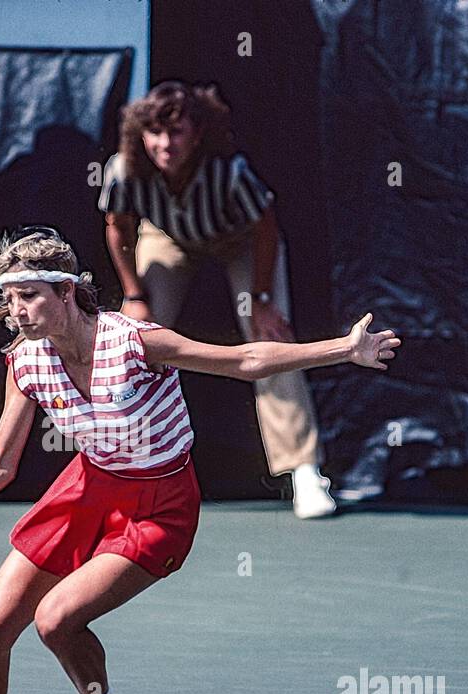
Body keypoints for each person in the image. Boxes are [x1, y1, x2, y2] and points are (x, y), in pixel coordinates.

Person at [0, 226, 399, 694]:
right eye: (10, 299)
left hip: (161, 501)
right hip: (85, 488)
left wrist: (343, 349)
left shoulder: (137, 342)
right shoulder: (26, 362)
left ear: (67, 292)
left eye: (30, 295)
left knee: (57, 619)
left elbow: (245, 359)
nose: (18, 310)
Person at [99, 80, 338, 518]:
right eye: (154, 132)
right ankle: (124, 471)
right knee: (135, 341)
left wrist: (262, 299)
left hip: (239, 241)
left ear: (197, 133)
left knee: (272, 343)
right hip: (166, 238)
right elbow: (118, 228)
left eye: (176, 132)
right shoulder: (124, 170)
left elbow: (265, 228)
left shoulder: (229, 171)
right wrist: (134, 295)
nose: (164, 144)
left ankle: (304, 471)